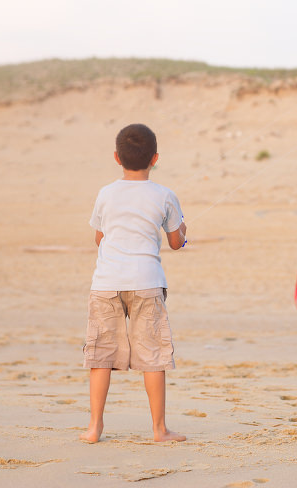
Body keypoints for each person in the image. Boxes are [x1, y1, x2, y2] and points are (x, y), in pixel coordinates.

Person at [80, 123, 187, 443]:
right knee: (153, 357)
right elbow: (175, 242)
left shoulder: (105, 193)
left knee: (101, 357)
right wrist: (183, 229)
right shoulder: (165, 195)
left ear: (117, 157)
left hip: (106, 284)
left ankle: (94, 427)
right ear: (155, 158)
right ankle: (159, 429)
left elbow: (99, 238)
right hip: (146, 283)